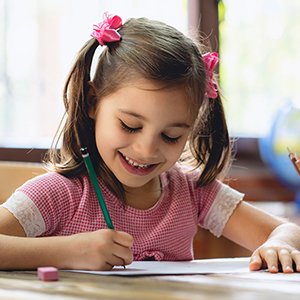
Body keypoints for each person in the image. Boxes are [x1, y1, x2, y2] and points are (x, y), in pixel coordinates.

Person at [0, 12, 300, 273]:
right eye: (130, 126)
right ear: (93, 102)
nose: (146, 149)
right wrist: (67, 252)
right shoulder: (59, 195)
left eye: (171, 136)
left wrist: (280, 245)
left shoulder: (194, 193)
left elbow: (284, 230)